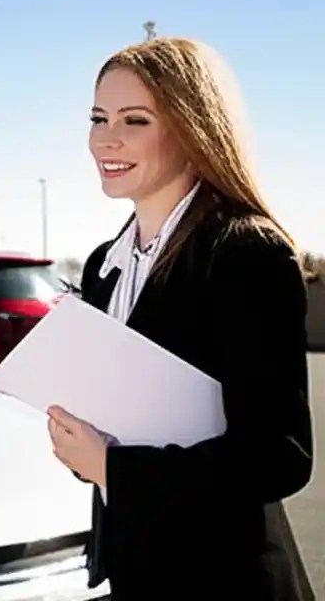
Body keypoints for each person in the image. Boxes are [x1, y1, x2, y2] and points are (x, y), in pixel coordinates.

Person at [46, 37, 314, 600]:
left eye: (135, 120)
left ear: (194, 130)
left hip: (228, 579)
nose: (105, 138)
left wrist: (113, 468)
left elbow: (278, 456)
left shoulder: (246, 253)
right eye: (98, 118)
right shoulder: (105, 265)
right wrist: (81, 447)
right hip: (136, 575)